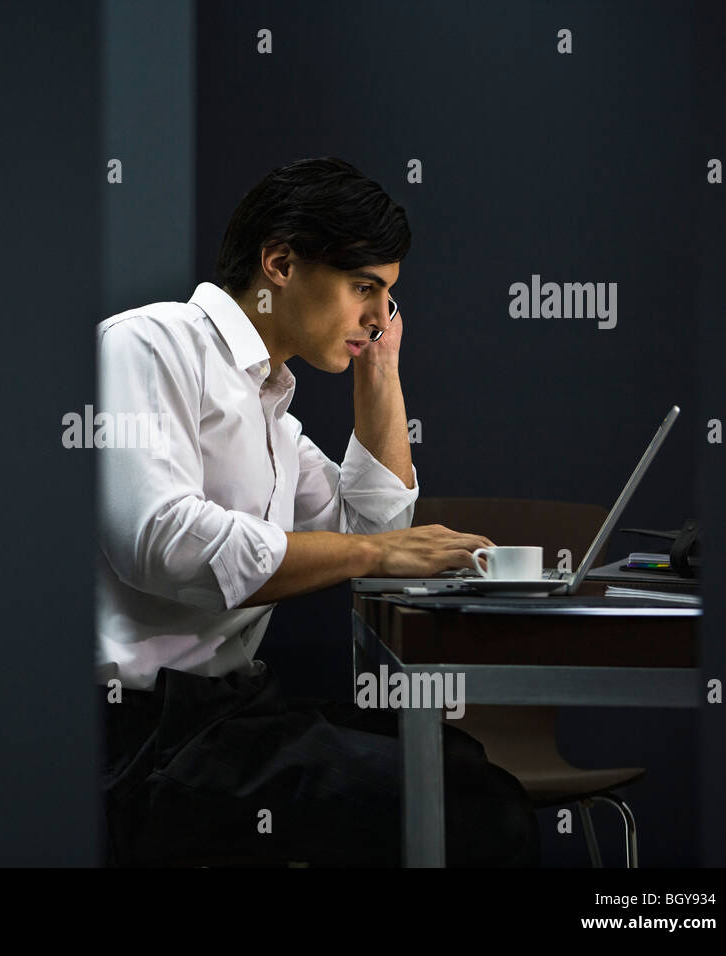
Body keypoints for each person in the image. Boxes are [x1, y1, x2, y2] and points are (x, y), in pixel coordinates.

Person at [95, 156, 539, 866]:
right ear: (279, 262)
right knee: (480, 819)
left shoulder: (271, 405)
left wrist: (380, 364)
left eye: (388, 296)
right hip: (144, 739)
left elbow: (373, 533)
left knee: (464, 770)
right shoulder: (149, 344)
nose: (379, 314)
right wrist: (374, 554)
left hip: (230, 713)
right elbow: (160, 542)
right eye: (365, 287)